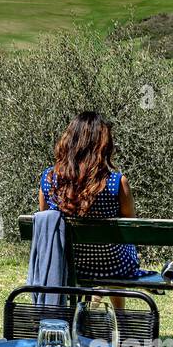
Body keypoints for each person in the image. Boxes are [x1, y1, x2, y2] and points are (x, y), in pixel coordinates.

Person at [39, 111, 142, 283]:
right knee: (123, 247)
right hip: (113, 266)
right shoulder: (117, 182)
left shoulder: (49, 179)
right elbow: (131, 228)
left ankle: (92, 300)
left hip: (66, 264)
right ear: (104, 145)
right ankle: (119, 309)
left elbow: (45, 219)